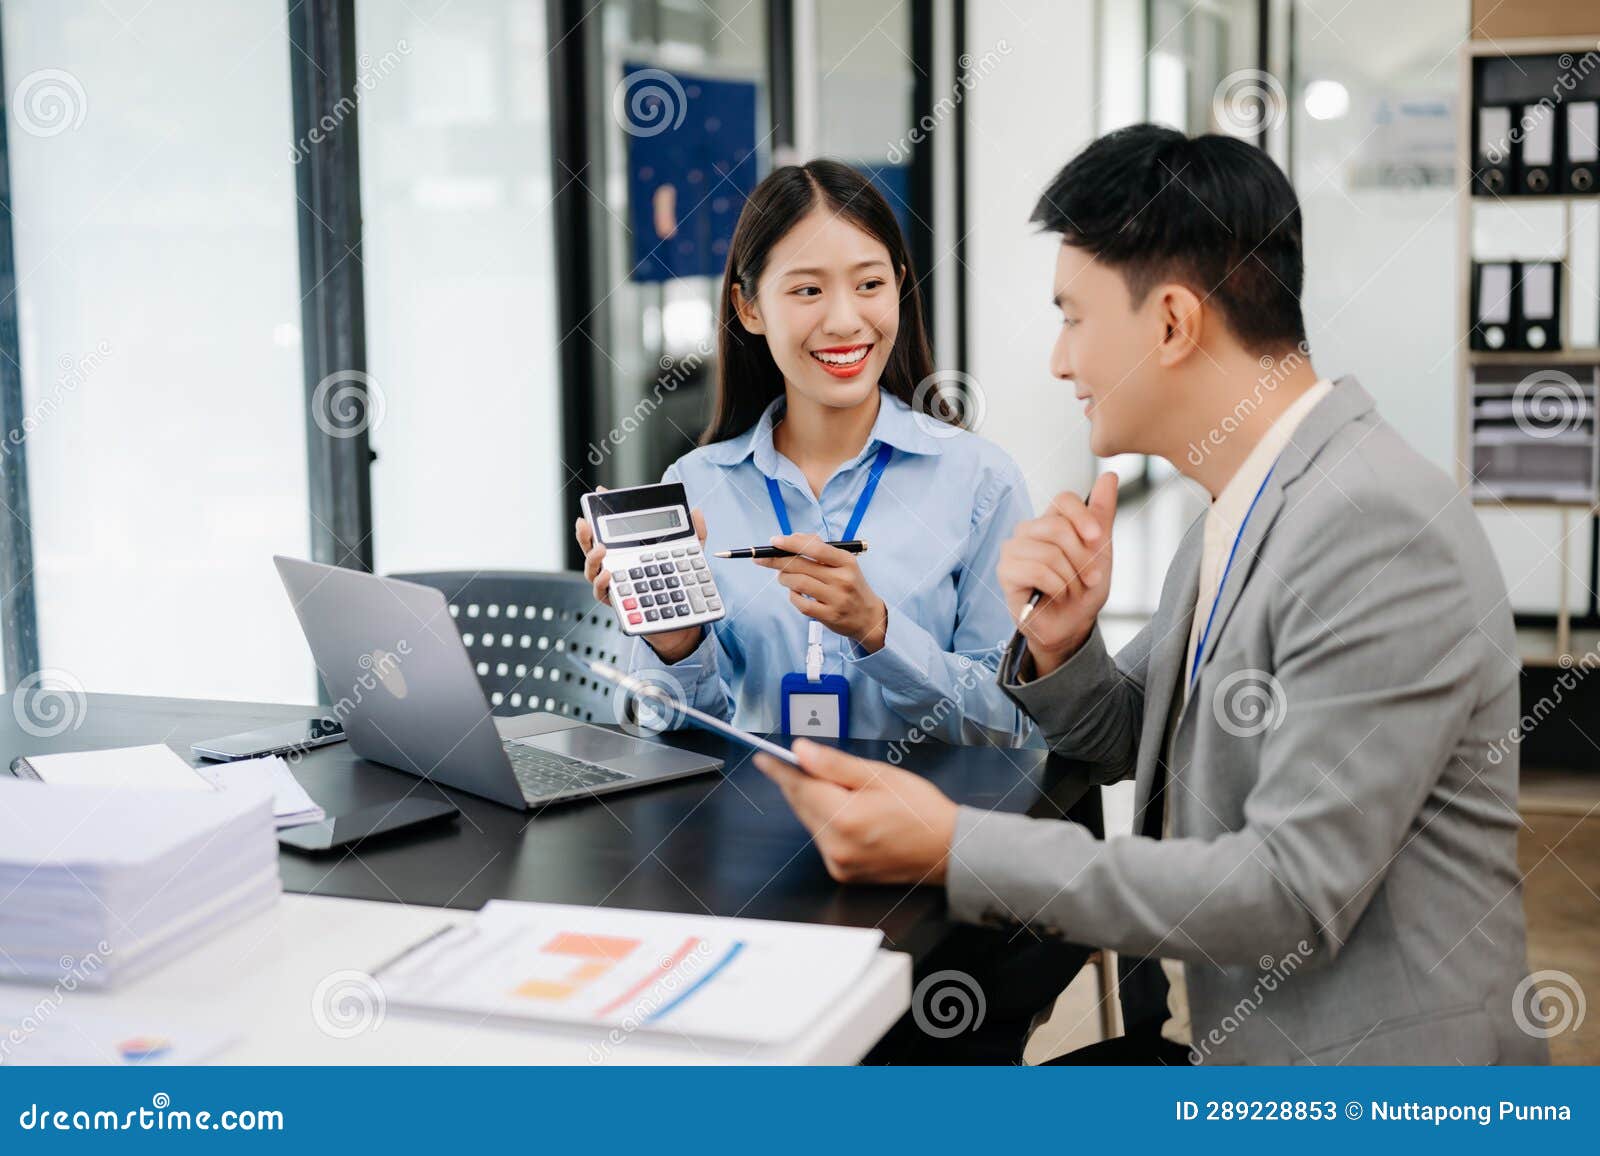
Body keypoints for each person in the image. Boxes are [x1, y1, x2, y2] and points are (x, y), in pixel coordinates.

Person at [752, 125, 1546, 1065]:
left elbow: (1285, 892)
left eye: (1073, 317)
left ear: (1172, 323)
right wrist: (1062, 643)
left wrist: (950, 844)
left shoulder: (1372, 528)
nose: (1058, 360)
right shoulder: (1247, 498)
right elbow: (1141, 734)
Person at [576, 160, 1032, 747]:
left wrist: (879, 631)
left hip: (923, 831)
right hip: (749, 826)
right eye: (808, 290)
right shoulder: (695, 486)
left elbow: (1010, 724)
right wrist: (676, 645)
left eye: (870, 285)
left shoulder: (980, 480)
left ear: (898, 287)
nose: (845, 320)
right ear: (750, 308)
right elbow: (662, 733)